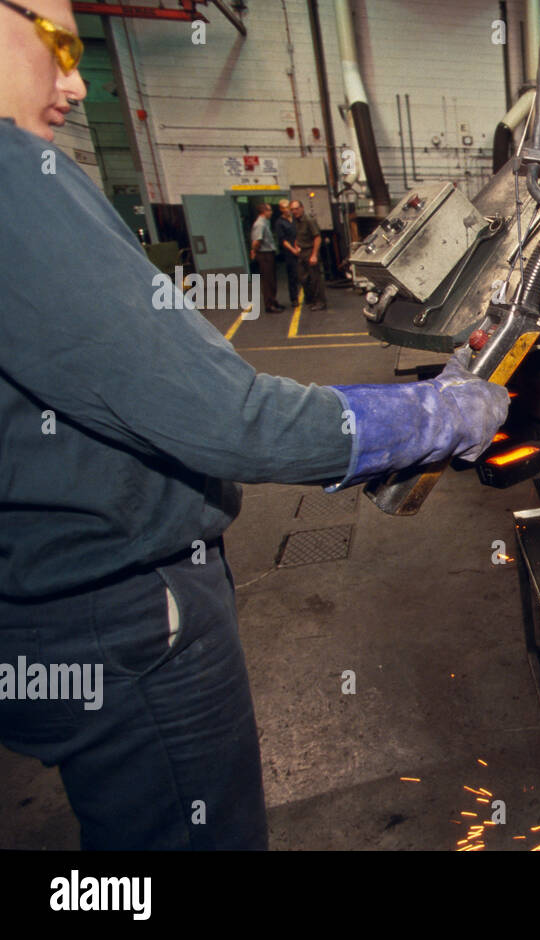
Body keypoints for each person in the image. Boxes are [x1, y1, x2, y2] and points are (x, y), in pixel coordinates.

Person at [0, 0, 509, 849]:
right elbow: (227, 418)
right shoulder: (16, 180)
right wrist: (430, 416)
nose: (74, 79)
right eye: (53, 41)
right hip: (124, 619)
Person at [290, 199, 326, 311]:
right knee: (303, 278)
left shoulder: (309, 220)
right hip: (301, 253)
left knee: (315, 278)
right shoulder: (296, 221)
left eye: (296, 209)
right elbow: (298, 235)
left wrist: (314, 255)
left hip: (310, 251)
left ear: (302, 208)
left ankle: (320, 302)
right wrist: (296, 245)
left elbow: (317, 237)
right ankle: (311, 300)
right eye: (292, 209)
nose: (294, 211)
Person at [249, 202, 284, 313]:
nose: (271, 212)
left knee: (272, 279)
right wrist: (254, 251)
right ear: (264, 212)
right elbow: (257, 241)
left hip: (268, 253)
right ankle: (269, 305)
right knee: (268, 281)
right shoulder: (260, 224)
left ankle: (273, 301)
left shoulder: (265, 222)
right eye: (269, 210)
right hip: (264, 255)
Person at [274, 197, 300, 309]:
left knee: (304, 274)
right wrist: (293, 250)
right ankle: (294, 298)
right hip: (289, 252)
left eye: (288, 207)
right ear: (281, 209)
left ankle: (309, 296)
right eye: (284, 208)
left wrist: (298, 246)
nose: (287, 210)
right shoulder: (279, 223)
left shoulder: (294, 219)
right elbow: (283, 240)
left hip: (299, 248)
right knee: (292, 275)